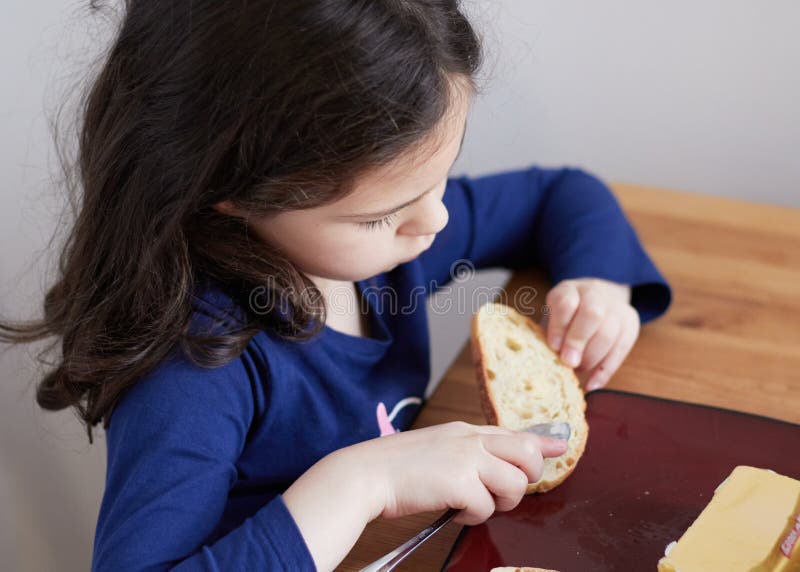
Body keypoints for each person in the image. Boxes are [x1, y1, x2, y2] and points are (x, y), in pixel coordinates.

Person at [0, 1, 671, 570]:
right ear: (229, 191)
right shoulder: (194, 366)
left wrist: (598, 283)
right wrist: (364, 480)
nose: (435, 219)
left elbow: (561, 195)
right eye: (380, 213)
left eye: (441, 177)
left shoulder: (390, 248)